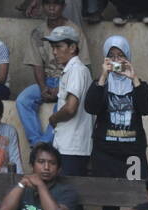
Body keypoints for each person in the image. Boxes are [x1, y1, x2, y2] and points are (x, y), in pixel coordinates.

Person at [85, 34, 148, 210]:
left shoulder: (139, 84)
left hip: (132, 155)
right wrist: (103, 76)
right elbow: (90, 107)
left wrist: (134, 78)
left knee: (138, 201)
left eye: (121, 56)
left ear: (128, 58)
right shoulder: (100, 84)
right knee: (109, 205)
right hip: (105, 155)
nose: (116, 61)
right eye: (111, 56)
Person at [17, 0, 84, 147]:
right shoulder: (37, 33)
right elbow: (37, 64)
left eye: (56, 3)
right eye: (47, 3)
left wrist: (60, 88)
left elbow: (82, 66)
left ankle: (45, 143)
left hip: (68, 81)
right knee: (23, 100)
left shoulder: (74, 31)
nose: (52, 7)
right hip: (47, 80)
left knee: (60, 104)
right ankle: (36, 143)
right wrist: (42, 87)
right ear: (42, 6)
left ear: (64, 6)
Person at [45, 25, 93, 175]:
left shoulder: (76, 70)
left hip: (73, 146)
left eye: (59, 47)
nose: (54, 52)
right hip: (69, 144)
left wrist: (53, 118)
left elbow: (71, 108)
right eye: (53, 47)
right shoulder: (72, 70)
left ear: (72, 47)